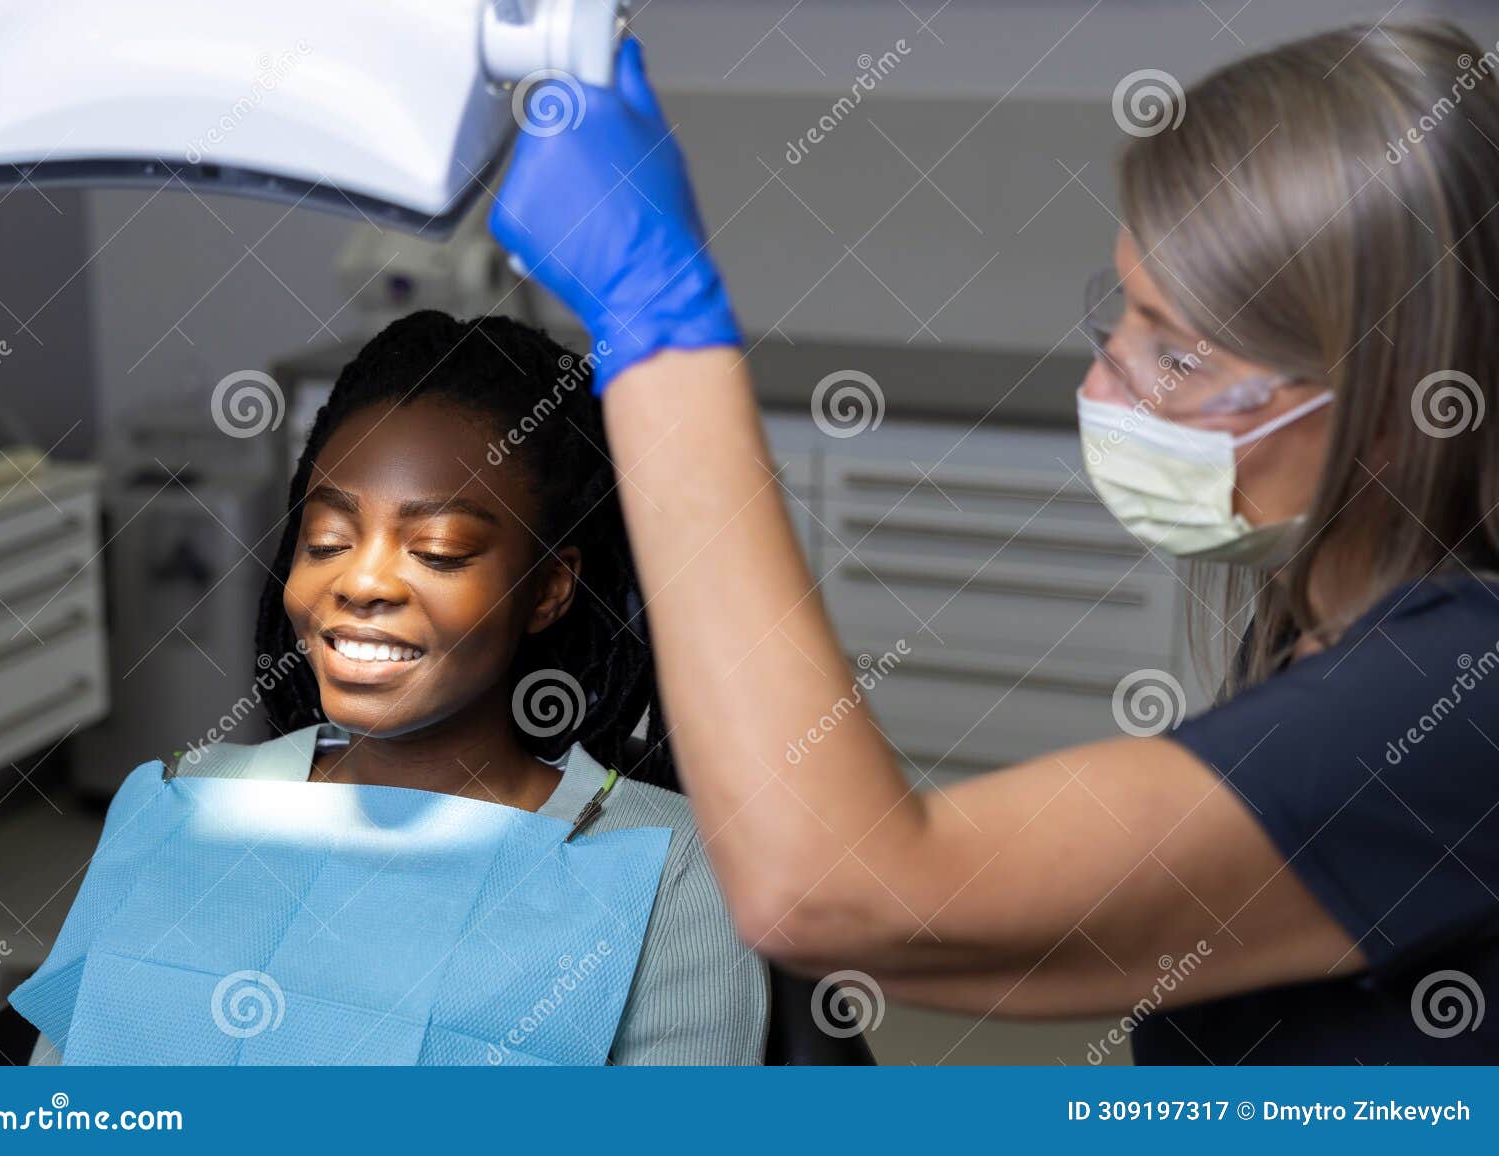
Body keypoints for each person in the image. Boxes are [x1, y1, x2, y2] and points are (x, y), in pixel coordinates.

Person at [486, 22, 1499, 1062]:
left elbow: (840, 890)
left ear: (1391, 409)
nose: (1103, 391)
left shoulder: (1461, 690)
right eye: (1123, 315)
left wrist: (657, 320)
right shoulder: (1331, 631)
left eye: (1178, 357)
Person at [30, 310, 767, 1066]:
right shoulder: (178, 802)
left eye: (439, 551)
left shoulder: (668, 877)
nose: (361, 582)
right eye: (327, 542)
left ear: (548, 587)